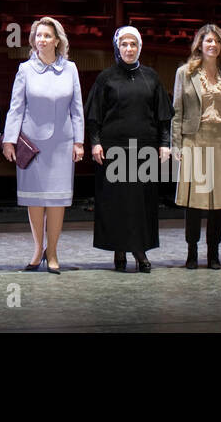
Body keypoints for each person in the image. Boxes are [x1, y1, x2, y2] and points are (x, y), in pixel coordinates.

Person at [2, 16, 84, 274]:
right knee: (35, 201)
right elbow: (16, 108)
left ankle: (53, 251)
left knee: (57, 201)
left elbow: (77, 109)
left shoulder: (70, 69)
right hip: (32, 143)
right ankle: (38, 250)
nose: (42, 40)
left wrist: (79, 141)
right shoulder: (25, 69)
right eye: (38, 36)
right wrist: (9, 140)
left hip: (62, 142)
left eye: (47, 36)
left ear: (57, 40)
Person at [87, 26, 172, 273]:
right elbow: (94, 115)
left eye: (133, 44)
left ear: (139, 48)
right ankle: (119, 249)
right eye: (124, 44)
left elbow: (163, 116)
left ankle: (140, 250)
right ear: (117, 47)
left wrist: (164, 145)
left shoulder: (152, 77)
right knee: (117, 203)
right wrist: (95, 142)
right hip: (114, 150)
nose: (129, 49)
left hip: (144, 149)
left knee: (141, 204)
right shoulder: (106, 78)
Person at [171, 24, 221, 270]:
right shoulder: (185, 72)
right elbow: (177, 112)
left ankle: (213, 253)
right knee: (194, 203)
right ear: (200, 44)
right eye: (208, 41)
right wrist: (176, 145)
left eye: (217, 42)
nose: (213, 45)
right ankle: (192, 252)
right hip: (195, 140)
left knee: (220, 203)